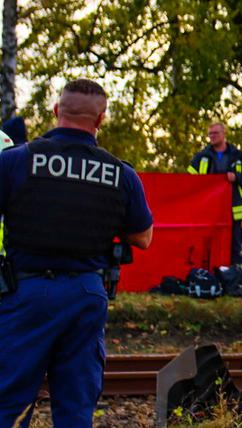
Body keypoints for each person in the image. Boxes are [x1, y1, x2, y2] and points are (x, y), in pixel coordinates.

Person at [0, 78, 154, 427]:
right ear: (100, 119)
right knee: (76, 407)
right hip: (85, 294)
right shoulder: (120, 173)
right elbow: (144, 237)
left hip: (24, 293)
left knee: (8, 402)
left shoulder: (15, 161)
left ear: (57, 110)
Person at [187, 122, 242, 266]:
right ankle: (207, 273)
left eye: (215, 133)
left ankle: (234, 274)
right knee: (207, 244)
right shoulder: (201, 157)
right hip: (208, 209)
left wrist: (237, 177)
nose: (212, 136)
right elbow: (188, 180)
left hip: (233, 209)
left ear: (224, 134)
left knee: (234, 244)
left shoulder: (238, 156)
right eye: (210, 134)